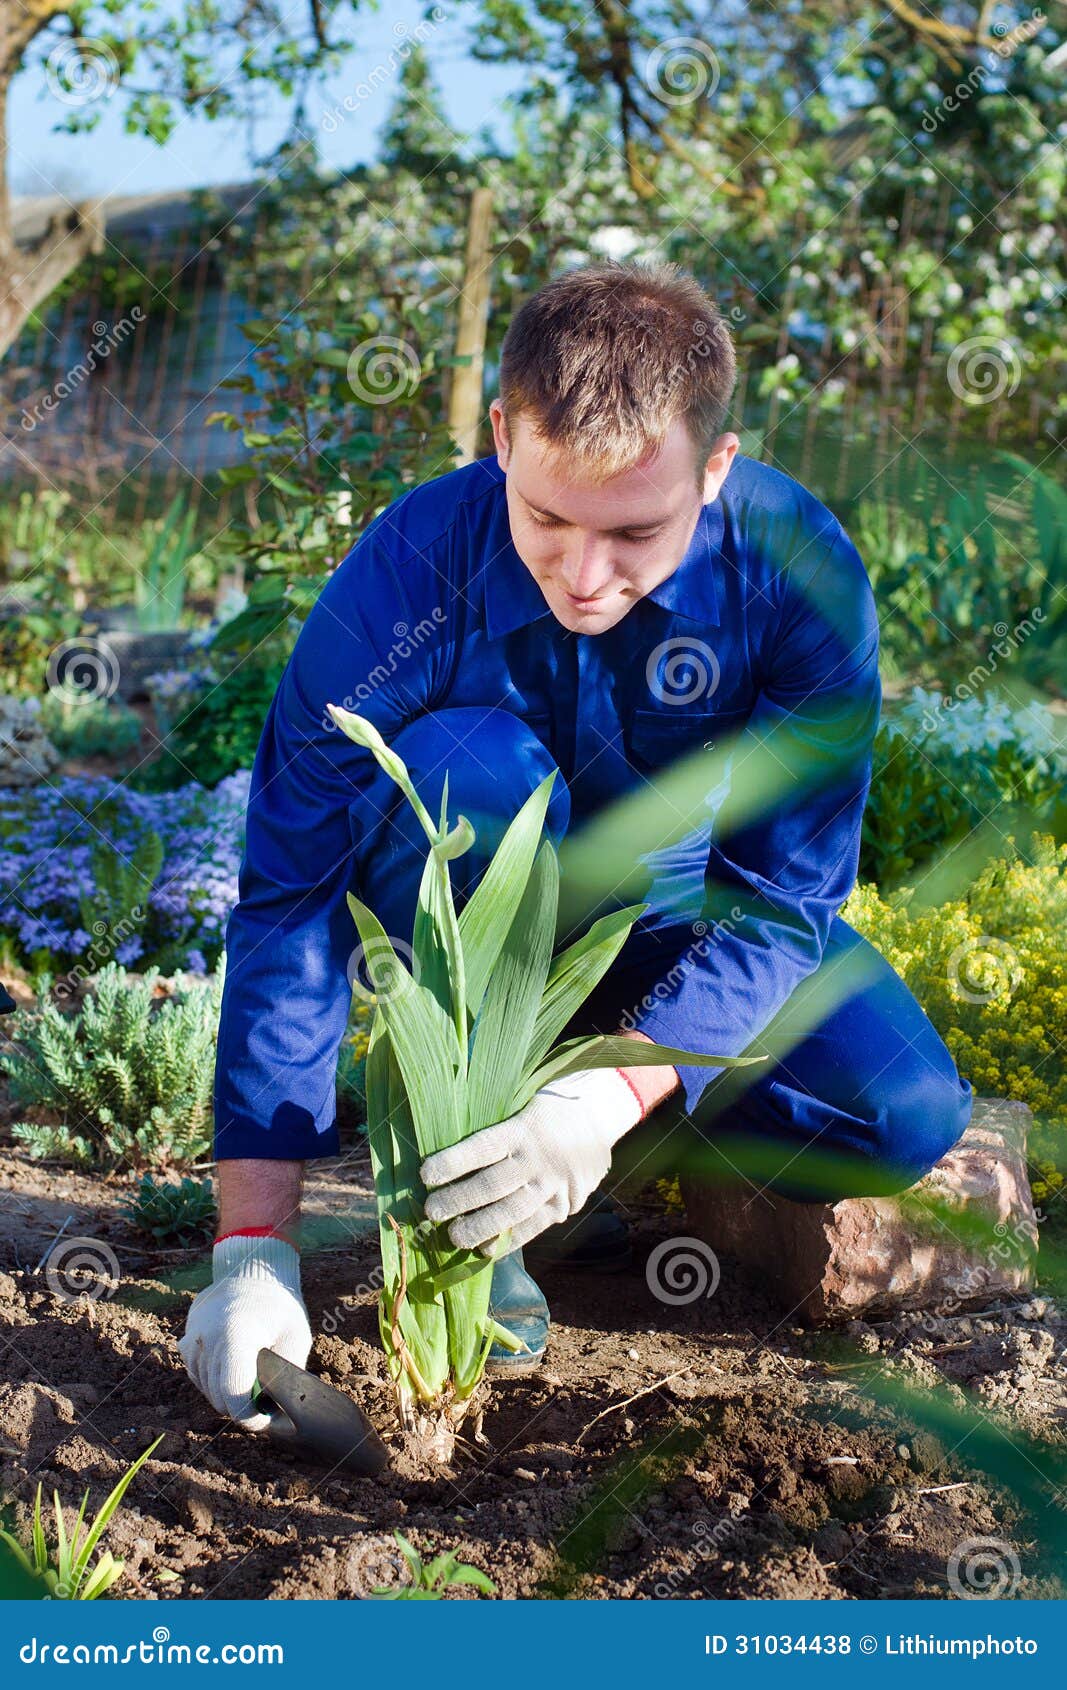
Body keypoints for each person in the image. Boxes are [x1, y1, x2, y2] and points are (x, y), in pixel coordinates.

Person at [180, 261, 973, 1430]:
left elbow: (785, 901)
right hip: (469, 924)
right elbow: (291, 896)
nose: (583, 577)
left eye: (633, 531)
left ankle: (581, 1149)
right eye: (546, 518)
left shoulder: (794, 579)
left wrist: (605, 1097)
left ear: (715, 469)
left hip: (672, 929)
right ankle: (468, 1196)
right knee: (474, 774)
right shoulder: (405, 577)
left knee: (896, 1111)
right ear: (502, 435)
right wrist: (252, 1248)